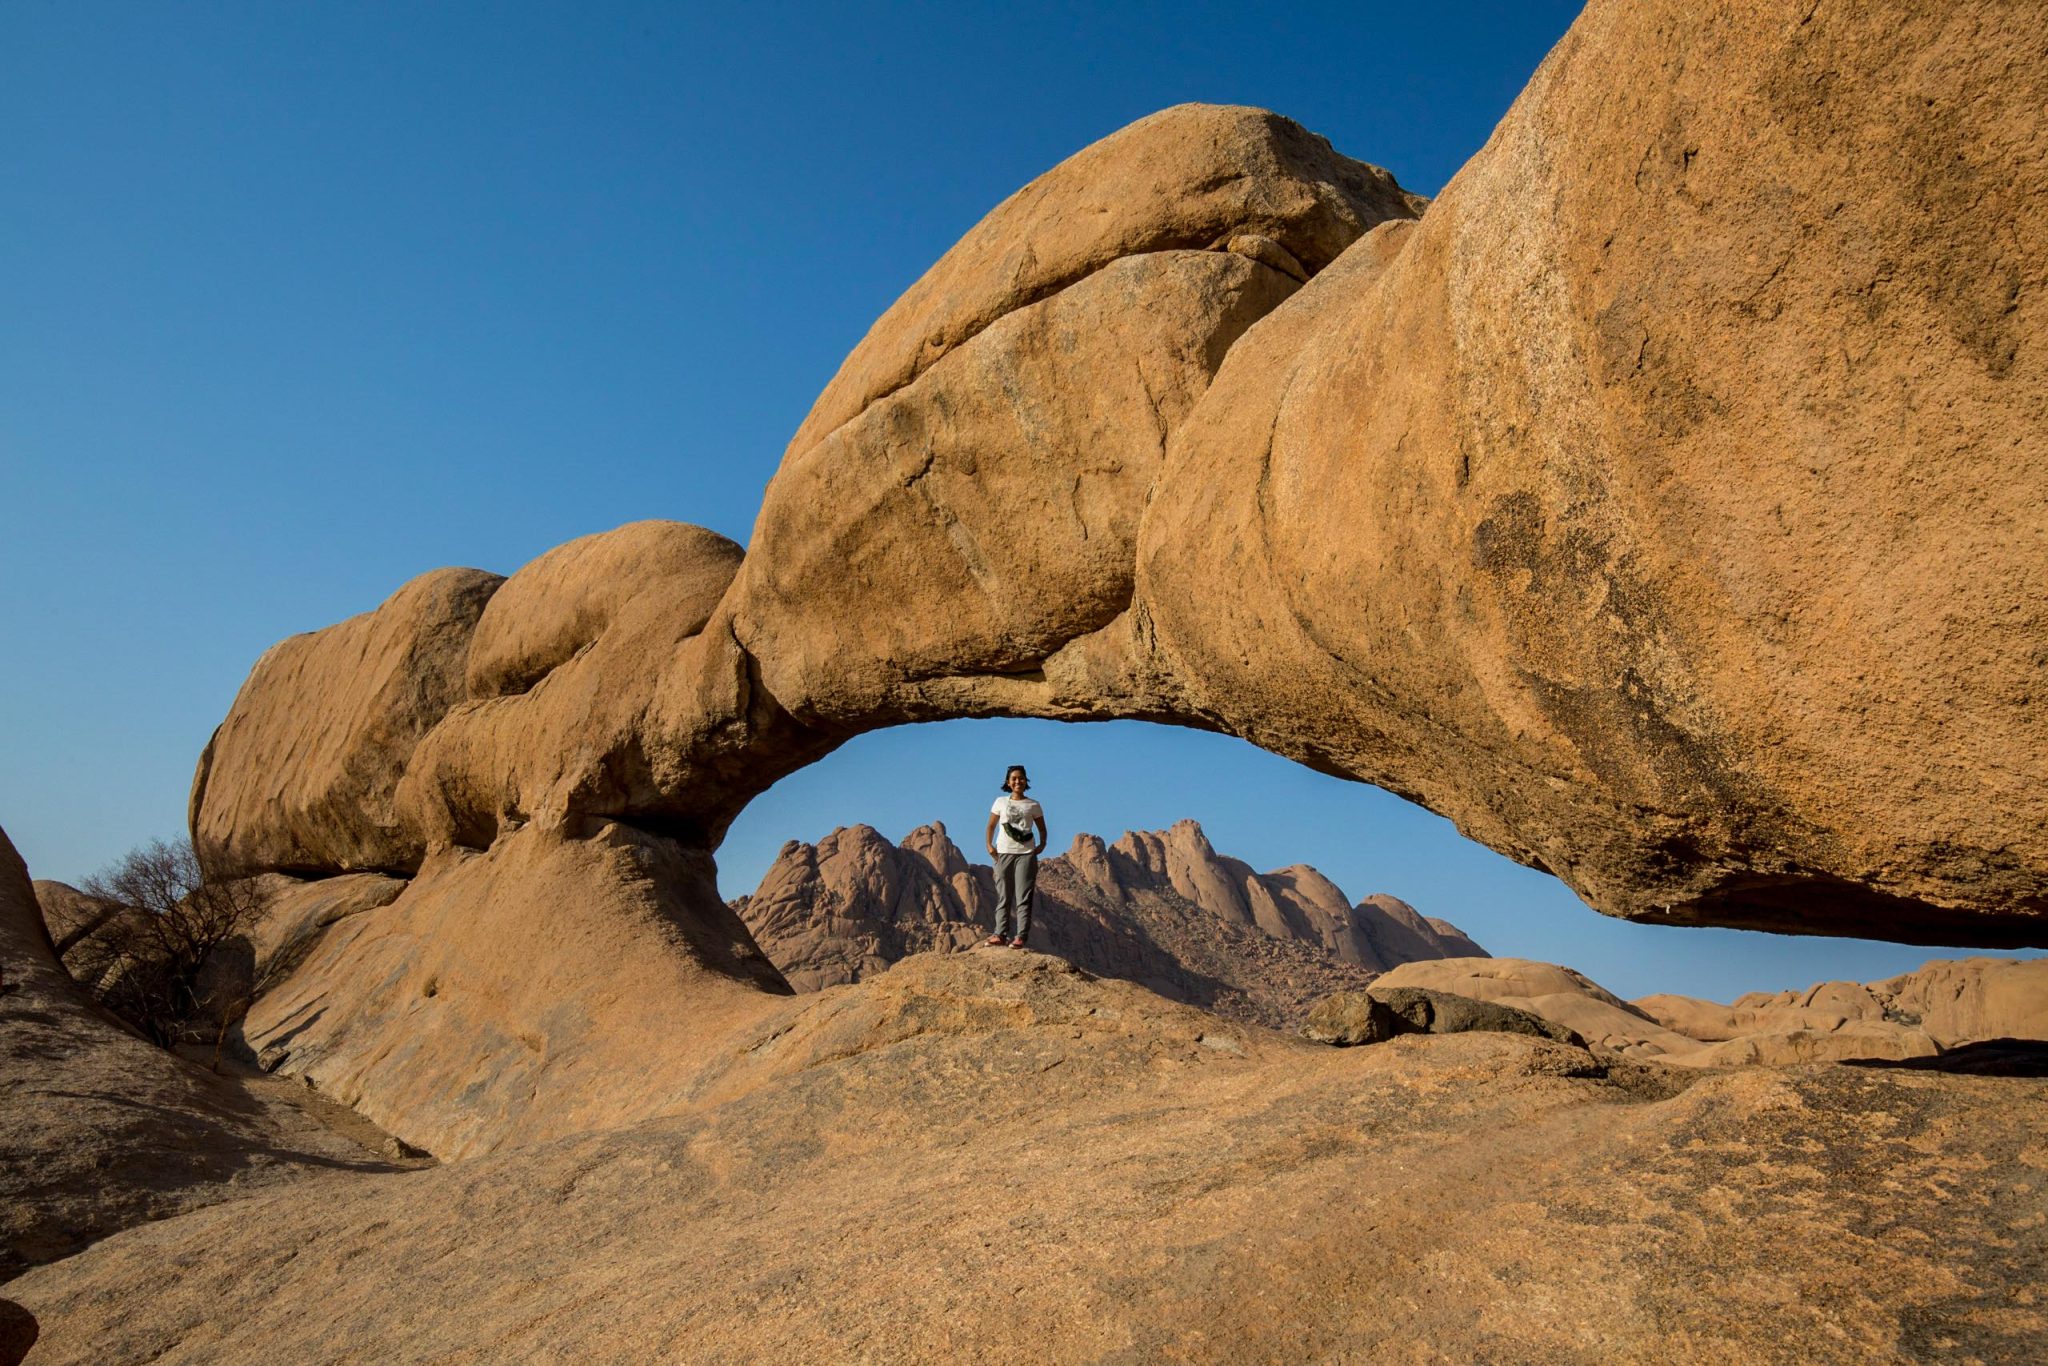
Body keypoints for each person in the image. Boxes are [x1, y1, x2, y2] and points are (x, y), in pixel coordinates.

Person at [984, 764, 1047, 949]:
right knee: (1004, 895)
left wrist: (1042, 844)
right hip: (1003, 853)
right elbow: (991, 826)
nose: (1018, 781)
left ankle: (1020, 937)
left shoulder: (1033, 805)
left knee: (1023, 897)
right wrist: (989, 845)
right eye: (1014, 778)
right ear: (1008, 782)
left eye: (1021, 778)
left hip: (1026, 854)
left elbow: (1042, 828)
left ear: (1026, 781)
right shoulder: (1000, 802)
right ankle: (1000, 935)